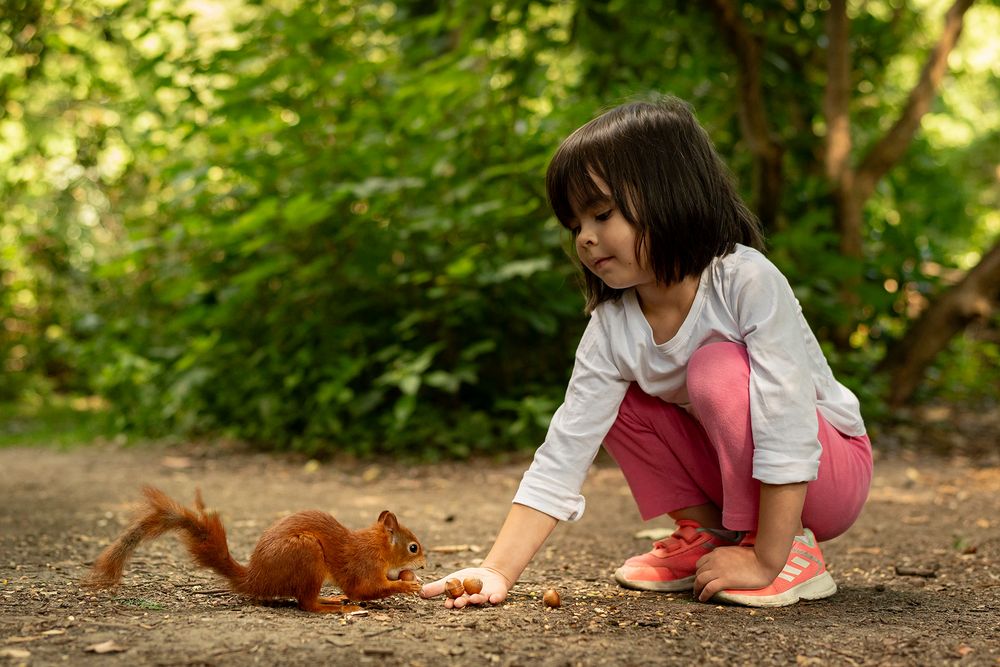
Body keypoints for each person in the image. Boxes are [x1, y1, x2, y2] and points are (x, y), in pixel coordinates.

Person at [421, 96, 872, 609]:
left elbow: (787, 420)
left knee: (716, 367)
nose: (586, 238)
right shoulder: (613, 328)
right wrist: (496, 570)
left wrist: (766, 558)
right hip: (738, 483)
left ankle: (785, 548)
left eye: (602, 214)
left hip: (825, 477)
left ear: (670, 193)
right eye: (575, 226)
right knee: (619, 402)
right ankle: (712, 534)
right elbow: (565, 450)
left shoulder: (745, 280)